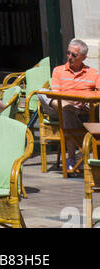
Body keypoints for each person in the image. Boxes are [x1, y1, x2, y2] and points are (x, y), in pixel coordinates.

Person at [40, 39, 100, 171]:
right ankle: (80, 149)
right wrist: (69, 101)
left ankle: (71, 158)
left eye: (74, 55)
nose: (69, 57)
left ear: (84, 57)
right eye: (68, 53)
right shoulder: (58, 70)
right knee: (43, 93)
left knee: (68, 110)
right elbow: (55, 93)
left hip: (83, 107)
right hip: (59, 105)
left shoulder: (93, 73)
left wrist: (86, 98)